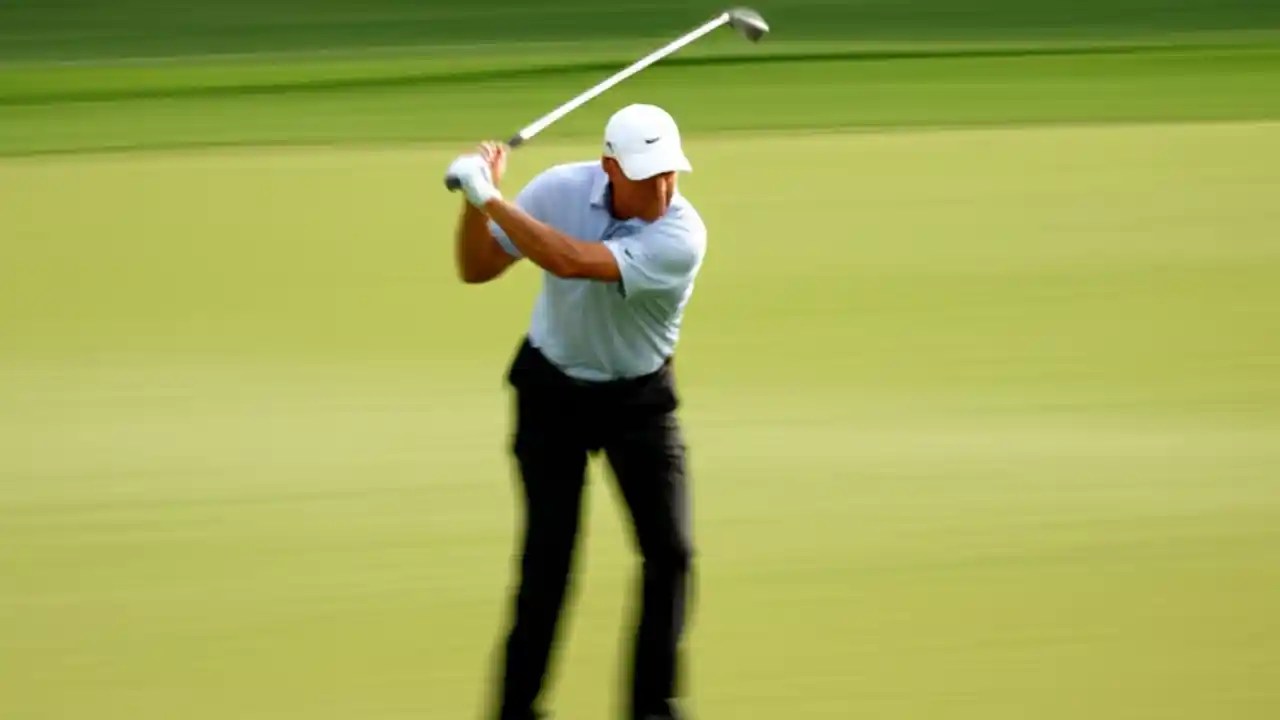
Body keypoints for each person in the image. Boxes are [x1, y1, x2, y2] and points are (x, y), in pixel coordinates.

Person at [445, 103, 707, 720]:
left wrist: (490, 198)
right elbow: (476, 268)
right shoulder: (558, 190)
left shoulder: (682, 235)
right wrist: (474, 204)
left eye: (669, 172)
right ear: (609, 167)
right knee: (549, 561)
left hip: (638, 401)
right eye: (646, 175)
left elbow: (573, 262)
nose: (662, 188)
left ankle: (652, 710)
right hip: (551, 394)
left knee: (671, 554)